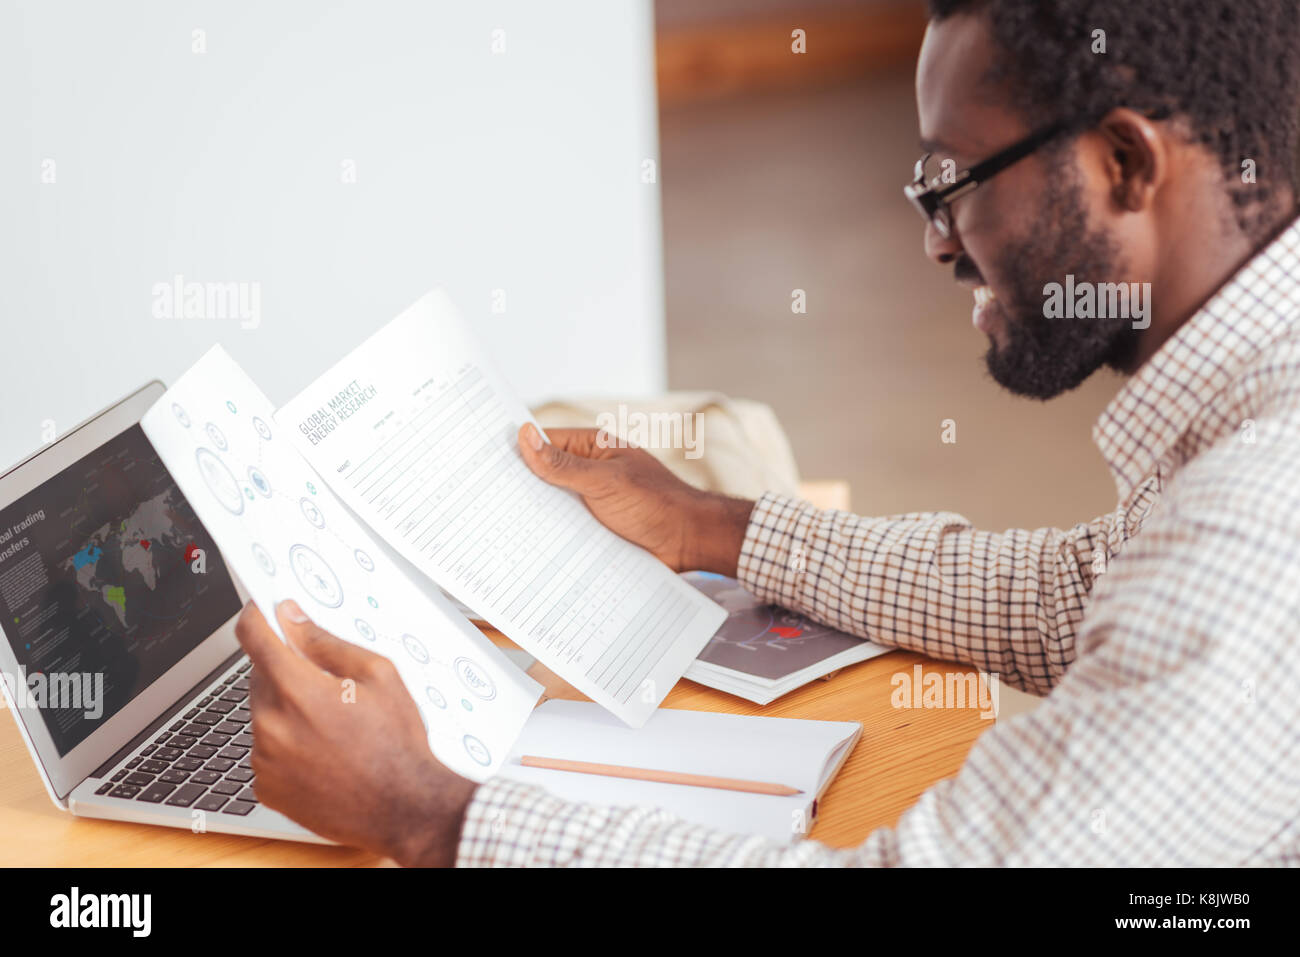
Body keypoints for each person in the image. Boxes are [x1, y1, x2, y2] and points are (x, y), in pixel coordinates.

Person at [234, 0, 1300, 866]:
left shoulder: (1253, 529)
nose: (937, 247)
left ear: (1124, 164)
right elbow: (1082, 597)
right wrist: (709, 526)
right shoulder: (1249, 414)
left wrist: (430, 816)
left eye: (954, 183)